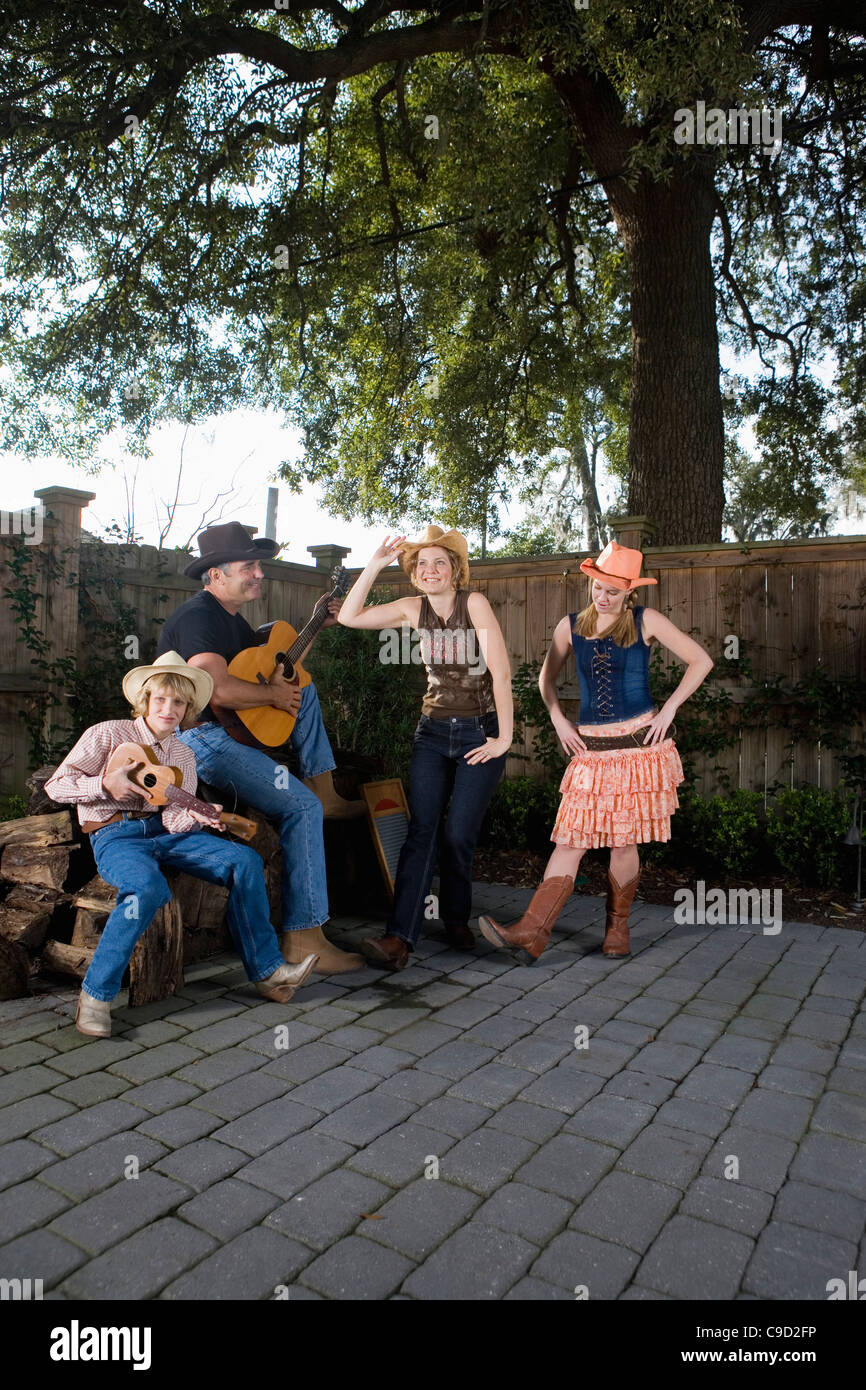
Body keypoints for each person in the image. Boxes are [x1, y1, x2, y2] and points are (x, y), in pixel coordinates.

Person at [44, 652, 319, 1038]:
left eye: (179, 702)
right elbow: (56, 785)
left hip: (165, 834)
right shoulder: (107, 734)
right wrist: (103, 785)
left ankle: (269, 973)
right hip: (116, 835)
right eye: (161, 699)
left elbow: (174, 818)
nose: (169, 709)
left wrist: (198, 814)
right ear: (145, 700)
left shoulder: (183, 755)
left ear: (188, 708)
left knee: (244, 861)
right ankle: (95, 997)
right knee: (145, 888)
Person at [479, 540, 713, 962]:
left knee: (623, 844)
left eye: (612, 591)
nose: (602, 598)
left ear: (630, 592)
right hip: (590, 752)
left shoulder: (647, 621)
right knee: (569, 840)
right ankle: (531, 932)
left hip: (638, 750)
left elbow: (701, 661)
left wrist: (670, 709)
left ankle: (617, 929)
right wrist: (557, 719)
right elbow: (544, 681)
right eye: (597, 588)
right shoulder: (569, 627)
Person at [157, 521, 364, 974]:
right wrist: (272, 696)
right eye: (248, 566)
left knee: (302, 687)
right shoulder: (199, 618)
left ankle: (324, 785)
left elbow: (277, 675)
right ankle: (304, 938)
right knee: (302, 808)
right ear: (215, 575)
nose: (259, 574)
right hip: (201, 742)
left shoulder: (232, 620)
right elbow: (216, 692)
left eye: (258, 565)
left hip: (227, 735)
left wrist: (317, 626)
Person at [338, 526, 513, 970]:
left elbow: (501, 672)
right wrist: (375, 564)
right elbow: (349, 617)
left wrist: (504, 739)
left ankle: (456, 917)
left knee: (458, 834)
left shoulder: (473, 603)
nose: (430, 569)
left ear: (455, 569)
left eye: (440, 561)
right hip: (432, 733)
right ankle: (400, 939)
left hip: (480, 732)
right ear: (414, 574)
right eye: (422, 563)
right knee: (422, 831)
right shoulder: (411, 609)